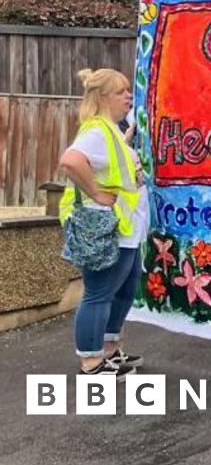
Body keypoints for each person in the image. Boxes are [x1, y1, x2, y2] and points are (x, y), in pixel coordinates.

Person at [58, 68, 147, 380]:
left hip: (124, 228)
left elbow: (110, 164)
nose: (128, 97)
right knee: (99, 293)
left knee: (124, 288)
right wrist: (95, 191)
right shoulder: (96, 130)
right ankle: (91, 363)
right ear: (103, 97)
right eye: (121, 92)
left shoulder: (109, 131)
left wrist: (128, 138)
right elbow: (71, 161)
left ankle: (108, 350)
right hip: (104, 229)